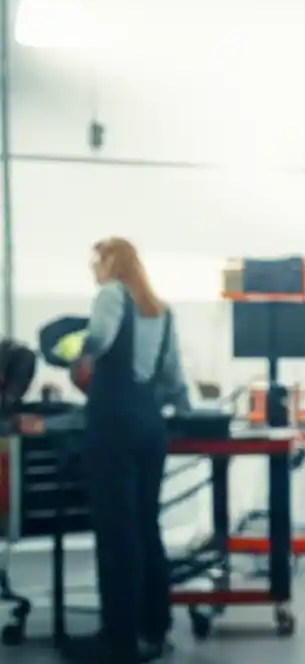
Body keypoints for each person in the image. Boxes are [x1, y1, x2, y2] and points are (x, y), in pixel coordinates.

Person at [66, 237, 191, 663]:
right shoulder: (162, 310)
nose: (93, 272)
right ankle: (154, 628)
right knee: (145, 526)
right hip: (149, 426)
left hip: (112, 425)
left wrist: (69, 353)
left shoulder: (110, 294)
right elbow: (173, 376)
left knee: (116, 532)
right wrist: (189, 412)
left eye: (95, 263)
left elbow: (97, 338)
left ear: (110, 262)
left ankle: (117, 640)